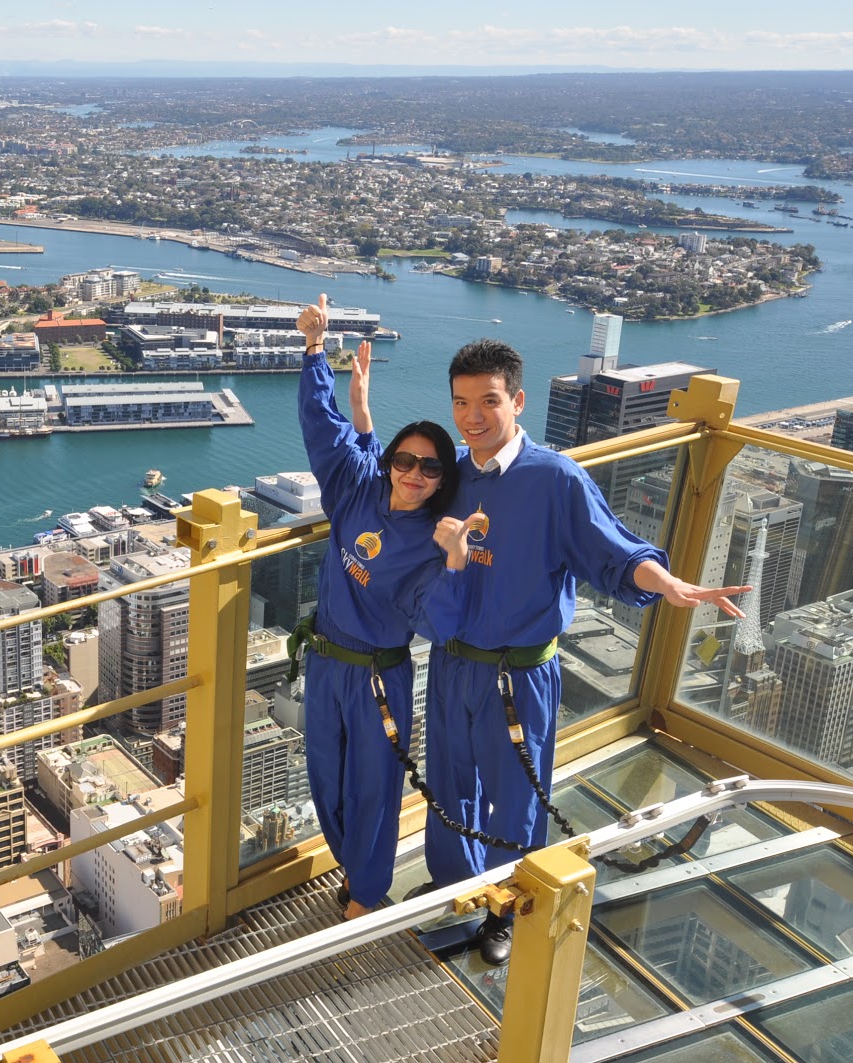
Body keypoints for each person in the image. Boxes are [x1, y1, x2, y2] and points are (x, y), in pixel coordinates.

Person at [423, 338, 751, 966]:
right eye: (461, 402)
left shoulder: (555, 478)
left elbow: (615, 551)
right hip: (452, 663)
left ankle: (505, 910)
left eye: (489, 401)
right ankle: (454, 889)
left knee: (516, 799)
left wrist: (670, 583)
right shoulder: (452, 474)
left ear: (517, 401)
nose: (473, 416)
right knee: (448, 785)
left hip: (518, 672)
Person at [293, 295, 472, 920]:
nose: (414, 473)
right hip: (325, 662)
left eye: (430, 467)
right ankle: (354, 872)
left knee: (374, 786)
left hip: (379, 675)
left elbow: (438, 620)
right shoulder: (356, 488)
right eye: (404, 460)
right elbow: (323, 427)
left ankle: (366, 894)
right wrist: (315, 349)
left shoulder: (431, 540)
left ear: (443, 479)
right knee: (325, 775)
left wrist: (455, 560)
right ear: (390, 463)